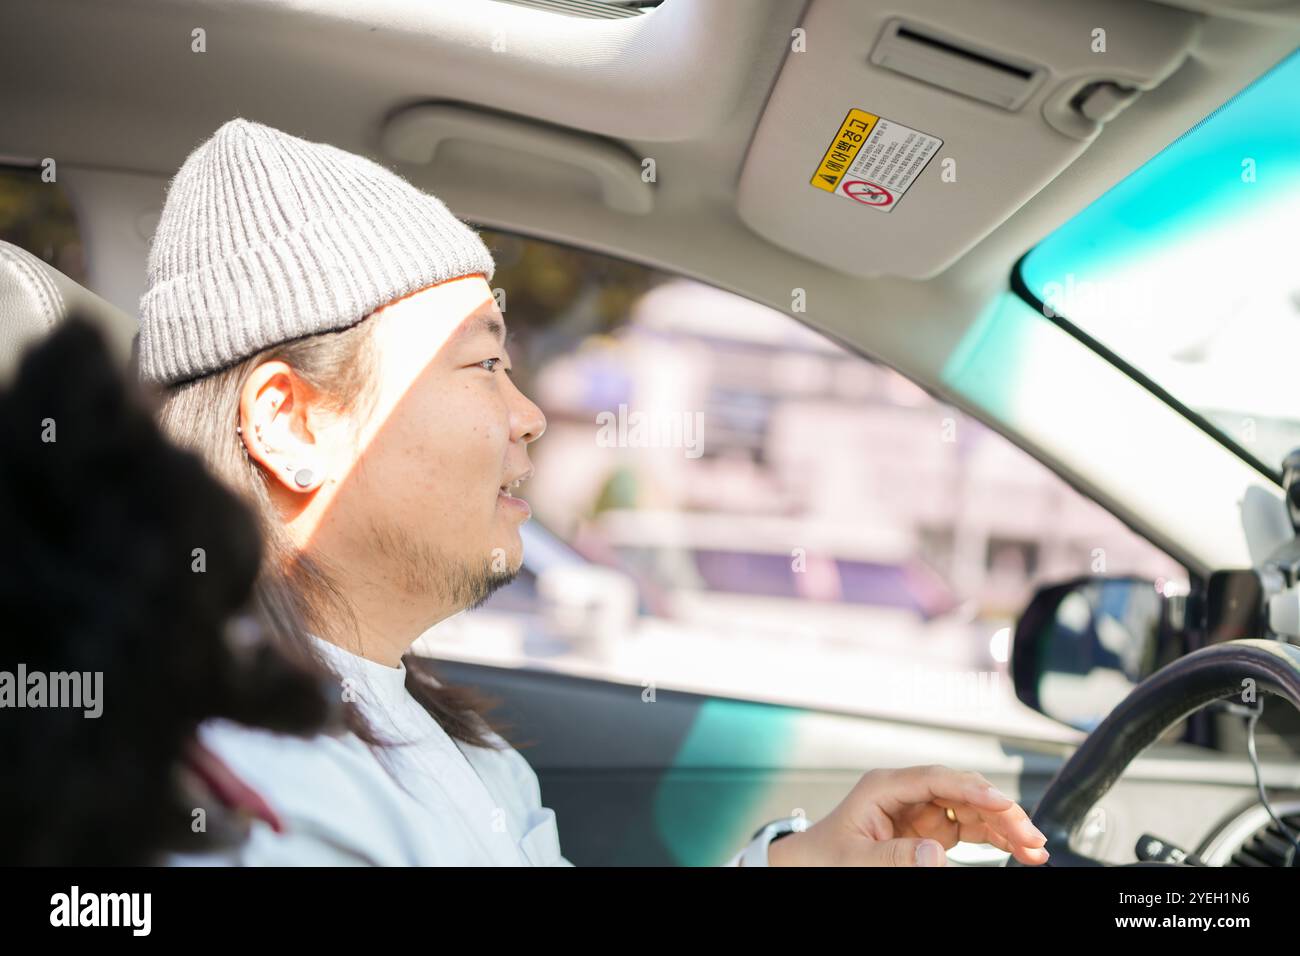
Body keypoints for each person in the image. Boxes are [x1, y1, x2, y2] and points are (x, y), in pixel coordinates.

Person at [140, 118, 1050, 867]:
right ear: (295, 425)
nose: (530, 414)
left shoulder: (448, 742)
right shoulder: (245, 796)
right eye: (483, 361)